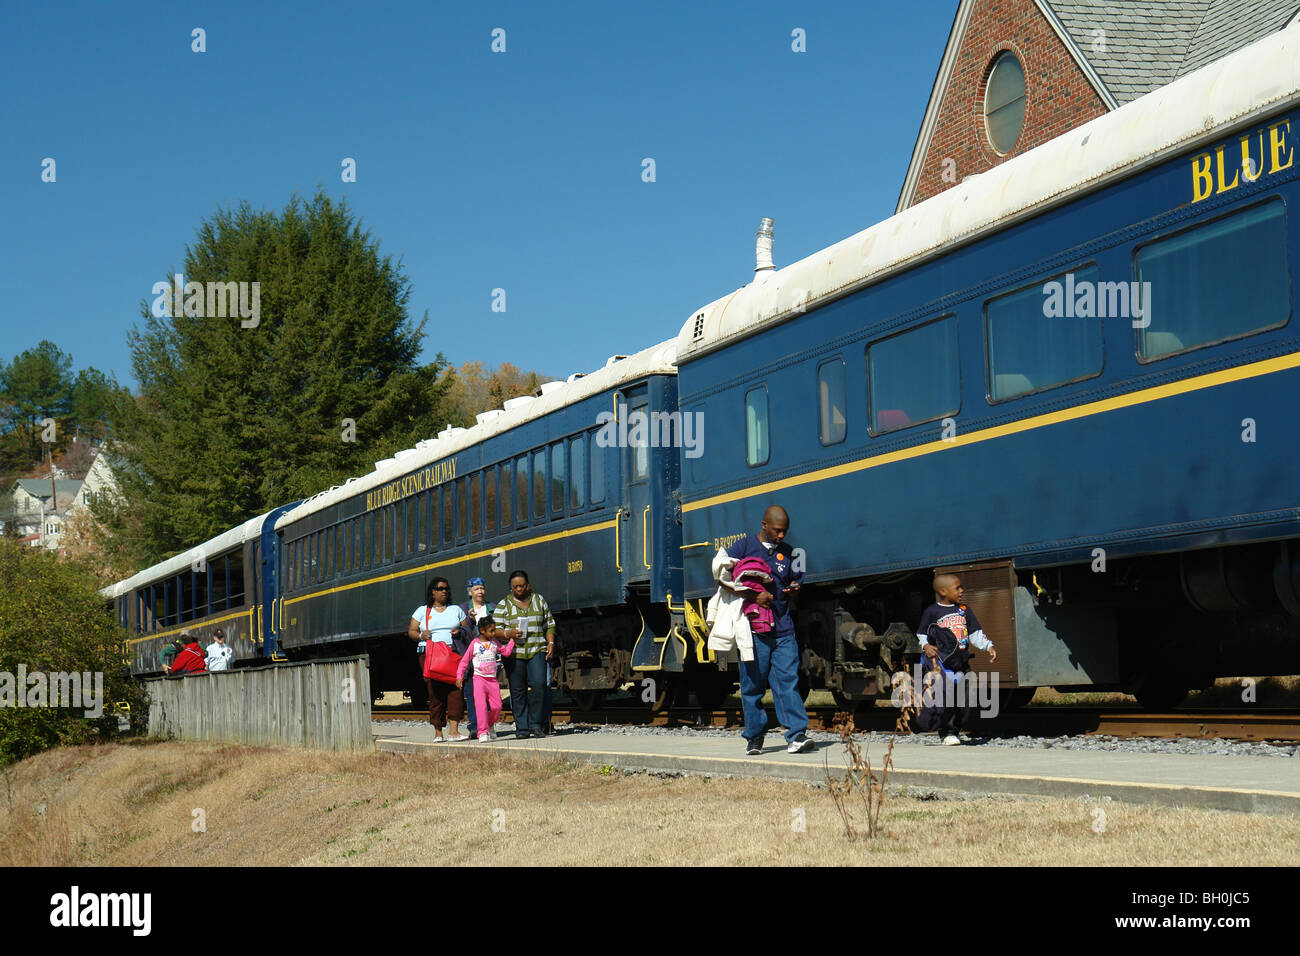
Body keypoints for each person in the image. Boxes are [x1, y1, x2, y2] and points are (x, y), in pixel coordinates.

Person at [721, 505, 814, 755]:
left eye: (785, 531)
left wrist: (795, 586)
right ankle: (754, 737)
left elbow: (799, 575)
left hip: (783, 628)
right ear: (764, 525)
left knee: (788, 682)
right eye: (777, 531)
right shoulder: (741, 547)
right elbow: (721, 576)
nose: (781, 536)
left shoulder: (790, 552)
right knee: (752, 685)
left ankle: (796, 735)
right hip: (752, 630)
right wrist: (753, 594)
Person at [916, 572, 996, 745]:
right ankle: (948, 731)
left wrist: (988, 646)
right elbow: (922, 634)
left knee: (967, 693)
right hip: (943, 664)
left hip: (961, 661)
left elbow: (975, 633)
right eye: (957, 588)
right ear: (943, 591)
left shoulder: (964, 610)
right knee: (947, 697)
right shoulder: (932, 612)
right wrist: (926, 646)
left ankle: (957, 727)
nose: (962, 590)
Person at [493, 570, 556, 739]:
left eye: (522, 586)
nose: (519, 589)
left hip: (537, 649)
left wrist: (550, 642)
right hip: (514, 654)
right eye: (515, 587)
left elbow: (549, 623)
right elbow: (495, 630)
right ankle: (522, 728)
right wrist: (509, 633)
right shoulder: (503, 605)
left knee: (539, 684)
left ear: (528, 585)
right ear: (511, 587)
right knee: (517, 690)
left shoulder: (539, 600)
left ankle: (536, 724)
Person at [407, 577, 468, 741]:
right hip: (431, 655)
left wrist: (459, 631)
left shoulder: (456, 610)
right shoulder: (423, 611)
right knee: (435, 692)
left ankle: (454, 731)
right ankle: (438, 731)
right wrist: (421, 635)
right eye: (440, 589)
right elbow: (411, 631)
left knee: (456, 690)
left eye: (446, 589)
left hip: (453, 654)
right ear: (432, 591)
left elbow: (467, 629)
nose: (444, 592)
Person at [455, 617, 515, 741]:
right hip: (479, 680)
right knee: (481, 707)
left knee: (497, 706)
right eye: (491, 631)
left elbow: (506, 652)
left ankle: (490, 724)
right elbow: (464, 661)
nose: (494, 634)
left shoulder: (495, 643)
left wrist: (512, 641)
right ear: (482, 631)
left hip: (492, 681)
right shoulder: (475, 644)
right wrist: (459, 676)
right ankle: (482, 732)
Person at [454, 577, 494, 737]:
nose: (480, 592)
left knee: (489, 695)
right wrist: (469, 622)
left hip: (489, 658)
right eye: (477, 589)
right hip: (471, 659)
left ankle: (488, 726)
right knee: (472, 694)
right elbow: (459, 632)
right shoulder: (462, 609)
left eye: (482, 588)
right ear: (470, 592)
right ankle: (475, 726)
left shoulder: (492, 608)